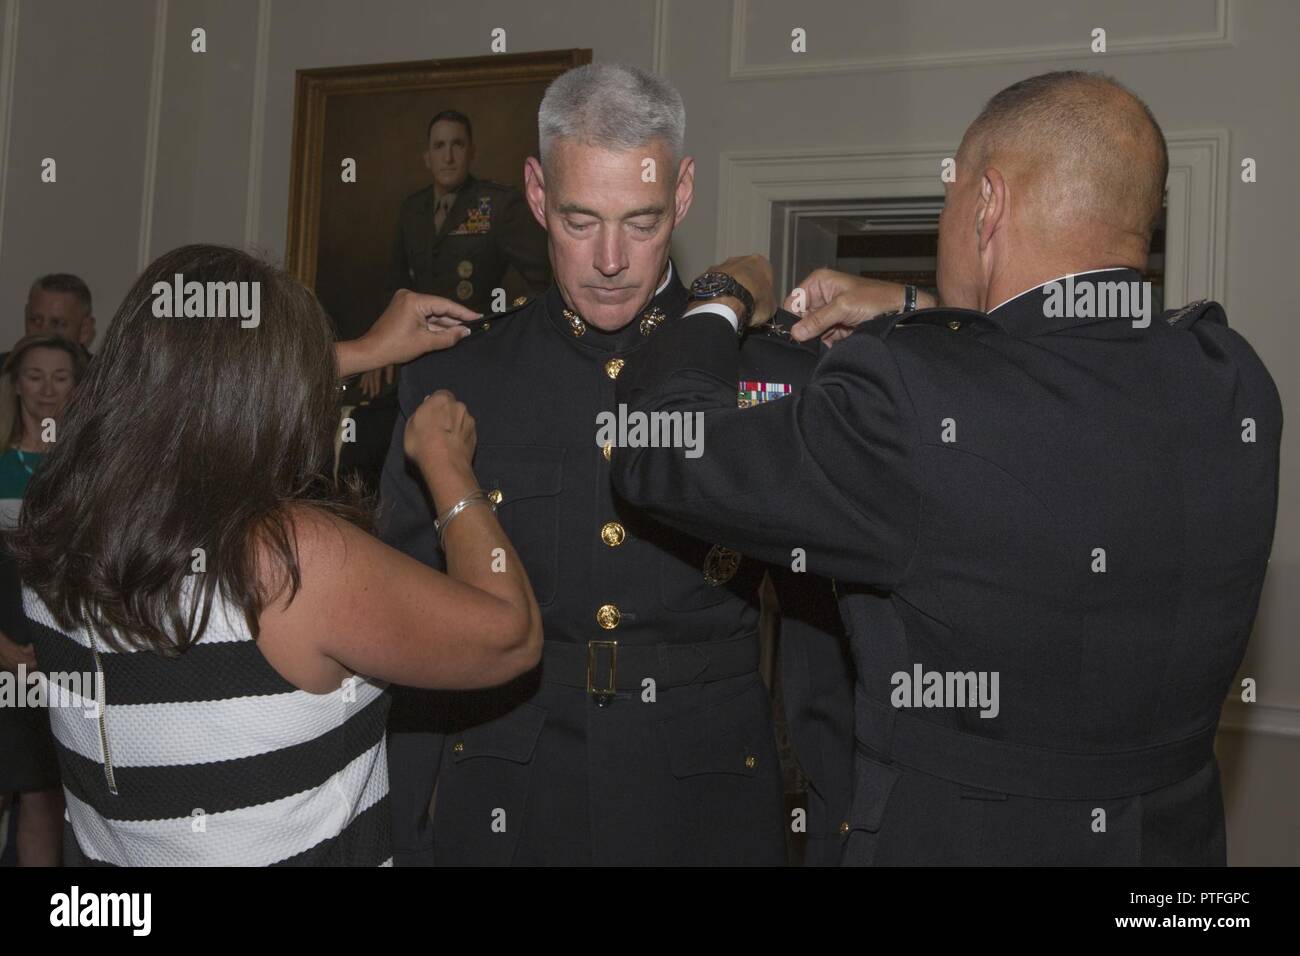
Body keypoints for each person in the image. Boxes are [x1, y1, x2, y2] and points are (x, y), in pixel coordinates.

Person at [612, 71, 1281, 865]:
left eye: (949, 197)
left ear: (987, 203)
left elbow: (660, 449)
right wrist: (918, 306)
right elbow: (1072, 374)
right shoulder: (1232, 375)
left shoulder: (910, 400)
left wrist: (721, 296)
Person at [379, 63, 851, 866]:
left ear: (683, 192)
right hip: (511, 791)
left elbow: (818, 636)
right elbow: (412, 630)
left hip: (707, 799)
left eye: (641, 222)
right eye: (579, 220)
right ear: (536, 194)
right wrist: (404, 841)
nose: (609, 260)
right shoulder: (458, 380)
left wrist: (839, 825)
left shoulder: (766, 379)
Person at [5, 243, 543, 866]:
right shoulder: (287, 557)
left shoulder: (57, 515)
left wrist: (362, 351)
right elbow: (510, 636)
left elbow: (183, 396)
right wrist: (448, 468)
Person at [339, 110, 553, 492]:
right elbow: (397, 285)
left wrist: (512, 338)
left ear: (471, 152)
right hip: (415, 358)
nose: (449, 156)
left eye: (457, 145)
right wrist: (377, 349)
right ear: (427, 156)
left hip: (474, 355)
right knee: (366, 444)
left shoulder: (495, 204)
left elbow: (545, 278)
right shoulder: (413, 210)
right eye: (439, 146)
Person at [0, 335, 88, 865]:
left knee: (44, 800)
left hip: (63, 659)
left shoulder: (91, 473)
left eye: (61, 377)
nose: (47, 389)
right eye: (35, 376)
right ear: (16, 385)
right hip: (4, 652)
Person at [0, 274, 96, 370]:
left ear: (84, 330)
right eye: (35, 320)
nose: (43, 332)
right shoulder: (4, 369)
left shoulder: (101, 376)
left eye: (57, 324)